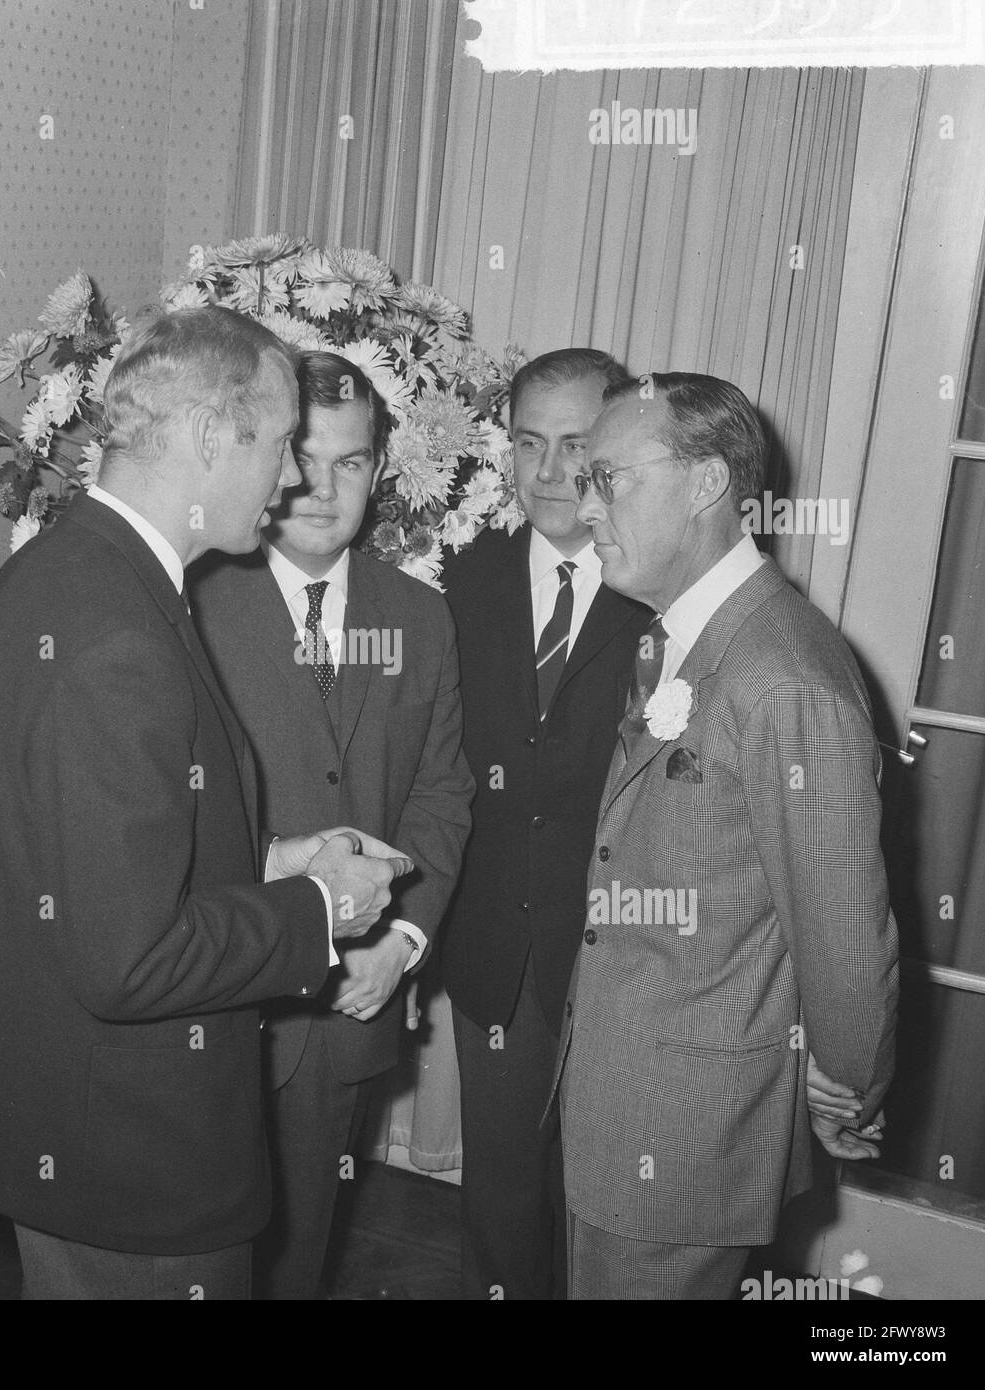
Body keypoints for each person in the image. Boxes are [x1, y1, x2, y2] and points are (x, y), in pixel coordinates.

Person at [0, 307, 410, 1300]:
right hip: (125, 1149)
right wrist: (322, 908)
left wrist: (270, 858)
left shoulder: (68, 569)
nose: (295, 478)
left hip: (80, 1121)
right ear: (211, 438)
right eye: (276, 445)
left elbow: (99, 849)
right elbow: (127, 958)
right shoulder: (113, 628)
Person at [558, 371, 898, 1299]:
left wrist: (845, 1092)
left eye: (608, 478)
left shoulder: (782, 675)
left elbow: (841, 934)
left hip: (684, 1131)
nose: (583, 506)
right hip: (626, 1102)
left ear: (707, 483)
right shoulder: (681, 636)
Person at [191, 351, 473, 1299]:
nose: (318, 485)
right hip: (211, 1009)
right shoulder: (187, 603)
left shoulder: (421, 619)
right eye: (300, 455)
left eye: (348, 462)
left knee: (298, 1260)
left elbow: (441, 794)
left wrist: (397, 940)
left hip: (348, 1009)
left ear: (380, 472)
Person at [439, 349, 650, 1299]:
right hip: (493, 945)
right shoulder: (454, 582)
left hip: (626, 952)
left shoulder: (660, 590)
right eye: (529, 444)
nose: (551, 473)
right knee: (501, 1189)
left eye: (577, 446)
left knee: (613, 1201)